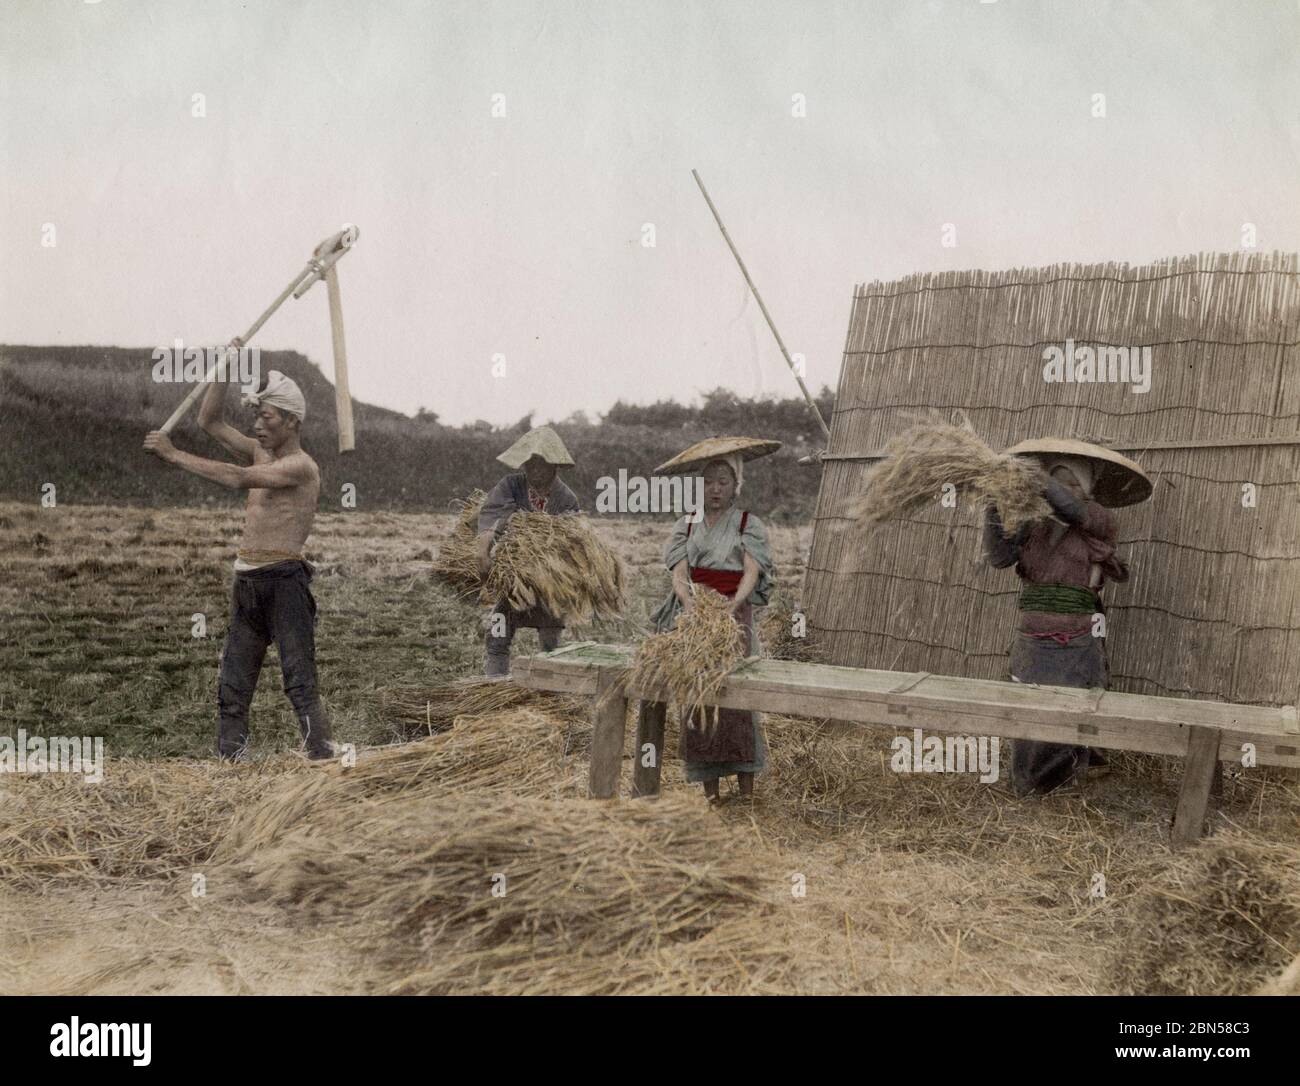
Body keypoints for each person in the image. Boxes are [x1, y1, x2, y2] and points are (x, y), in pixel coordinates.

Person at [143, 364, 334, 761]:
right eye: (256, 416)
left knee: (299, 678)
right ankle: (231, 758)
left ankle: (321, 754)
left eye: (267, 417)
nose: (258, 426)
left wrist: (174, 454)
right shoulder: (261, 451)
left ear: (292, 422)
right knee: (234, 681)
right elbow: (209, 420)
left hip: (284, 581)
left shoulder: (301, 466)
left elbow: (236, 478)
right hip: (247, 580)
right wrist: (225, 368)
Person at [984, 439, 1150, 795]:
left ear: (1086, 489)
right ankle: (1028, 786)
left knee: (1069, 713)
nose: (1062, 490)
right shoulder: (1034, 523)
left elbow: (1072, 509)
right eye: (1058, 479)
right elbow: (999, 557)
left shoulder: (1099, 520)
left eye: (1071, 483)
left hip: (1074, 641)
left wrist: (1035, 477)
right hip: (1032, 640)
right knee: (1030, 713)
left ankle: (1066, 787)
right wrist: (993, 503)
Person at [650, 437, 779, 803]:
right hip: (695, 618)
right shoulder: (687, 526)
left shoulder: (746, 524)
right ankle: (711, 792)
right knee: (699, 696)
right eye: (709, 481)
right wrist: (691, 606)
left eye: (723, 481)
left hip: (734, 618)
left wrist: (731, 606)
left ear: (736, 485)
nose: (716, 489)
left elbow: (752, 572)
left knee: (736, 696)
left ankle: (746, 790)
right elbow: (679, 575)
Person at [477, 425, 580, 677]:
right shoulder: (511, 485)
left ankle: (549, 691)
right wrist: (482, 552)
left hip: (548, 584)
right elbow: (492, 516)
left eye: (540, 465)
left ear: (554, 466)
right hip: (511, 580)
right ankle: (495, 686)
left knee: (550, 643)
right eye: (529, 464)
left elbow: (570, 541)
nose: (533, 471)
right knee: (497, 636)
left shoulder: (566, 499)